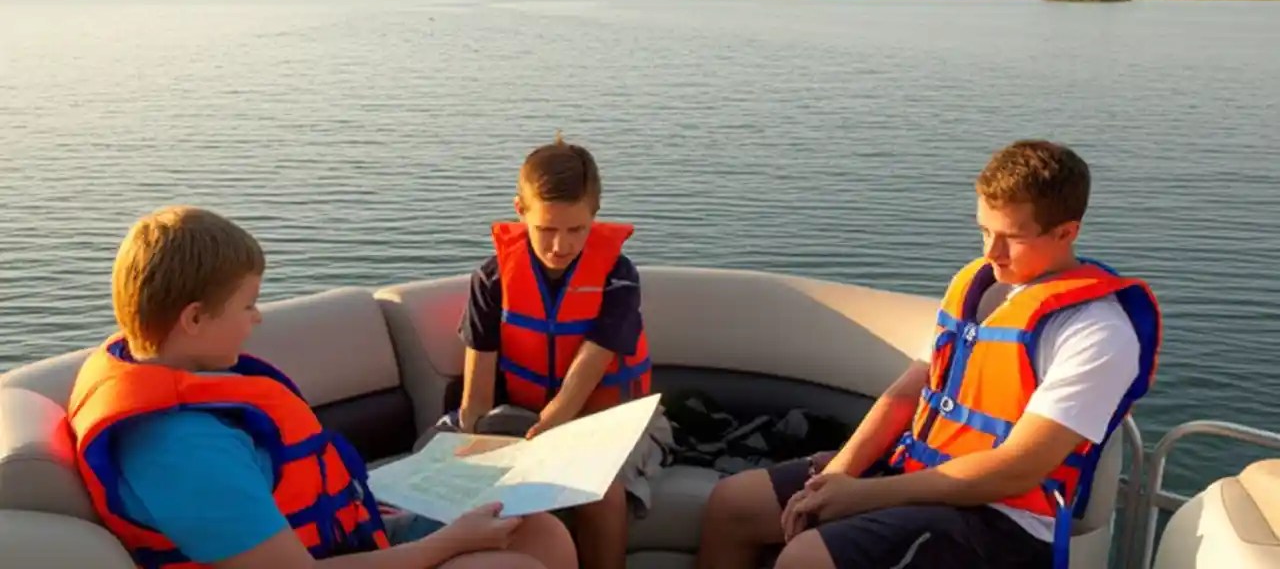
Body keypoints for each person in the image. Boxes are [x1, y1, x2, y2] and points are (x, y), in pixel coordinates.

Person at [695, 140, 1161, 569]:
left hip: (1000, 519)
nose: (991, 253)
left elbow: (1018, 469)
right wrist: (835, 478)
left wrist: (861, 496)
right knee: (732, 506)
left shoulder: (1097, 331)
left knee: (807, 559)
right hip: (915, 470)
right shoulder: (978, 287)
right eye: (984, 230)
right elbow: (906, 394)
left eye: (1012, 238)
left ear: (1066, 232)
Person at [66, 206, 577, 569]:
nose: (257, 319)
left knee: (540, 531)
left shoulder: (168, 364)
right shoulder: (182, 452)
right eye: (247, 305)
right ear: (194, 318)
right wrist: (451, 541)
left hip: (340, 537)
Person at [454, 134, 659, 569]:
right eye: (546, 229)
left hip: (607, 421)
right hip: (520, 417)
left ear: (594, 217)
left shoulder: (619, 278)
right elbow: (476, 394)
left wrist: (543, 438)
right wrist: (477, 442)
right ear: (520, 211)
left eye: (575, 230)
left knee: (598, 490)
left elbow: (589, 367)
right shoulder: (491, 280)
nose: (560, 246)